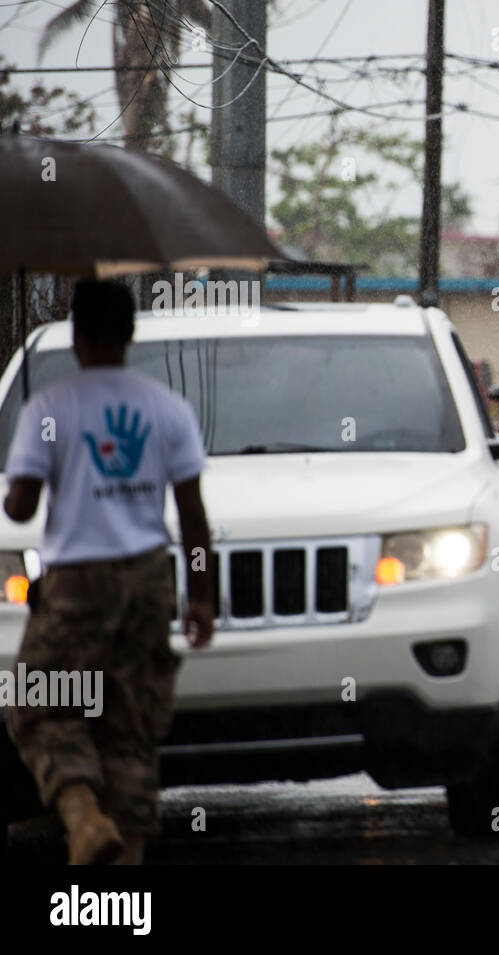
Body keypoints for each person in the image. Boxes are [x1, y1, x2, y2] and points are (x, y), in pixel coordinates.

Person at [3, 280, 213, 865]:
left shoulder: (48, 407)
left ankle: (80, 812)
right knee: (131, 725)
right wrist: (202, 601)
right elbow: (193, 517)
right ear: (131, 333)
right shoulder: (166, 407)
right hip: (148, 578)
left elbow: (20, 506)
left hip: (76, 580)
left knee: (37, 700)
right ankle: (125, 875)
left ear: (75, 334)